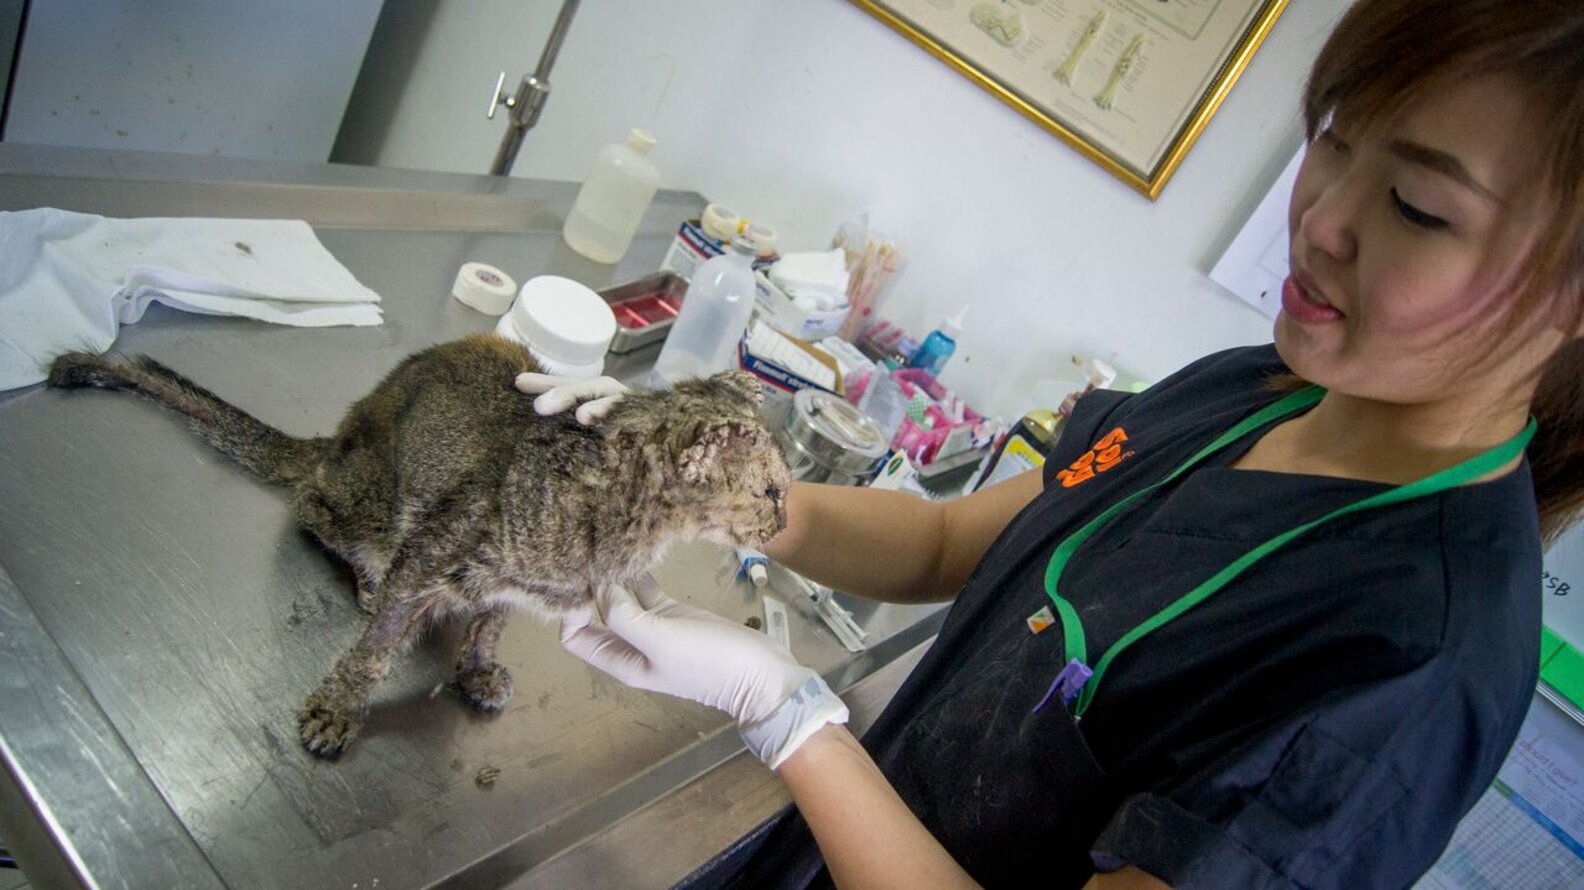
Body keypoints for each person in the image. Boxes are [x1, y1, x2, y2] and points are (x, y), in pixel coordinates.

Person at [516, 0, 1584, 885]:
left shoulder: (1416, 667)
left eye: (1415, 205)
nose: (1324, 220)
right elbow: (946, 547)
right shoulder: (1253, 387)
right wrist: (728, 489)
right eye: (1336, 140)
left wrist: (788, 714)